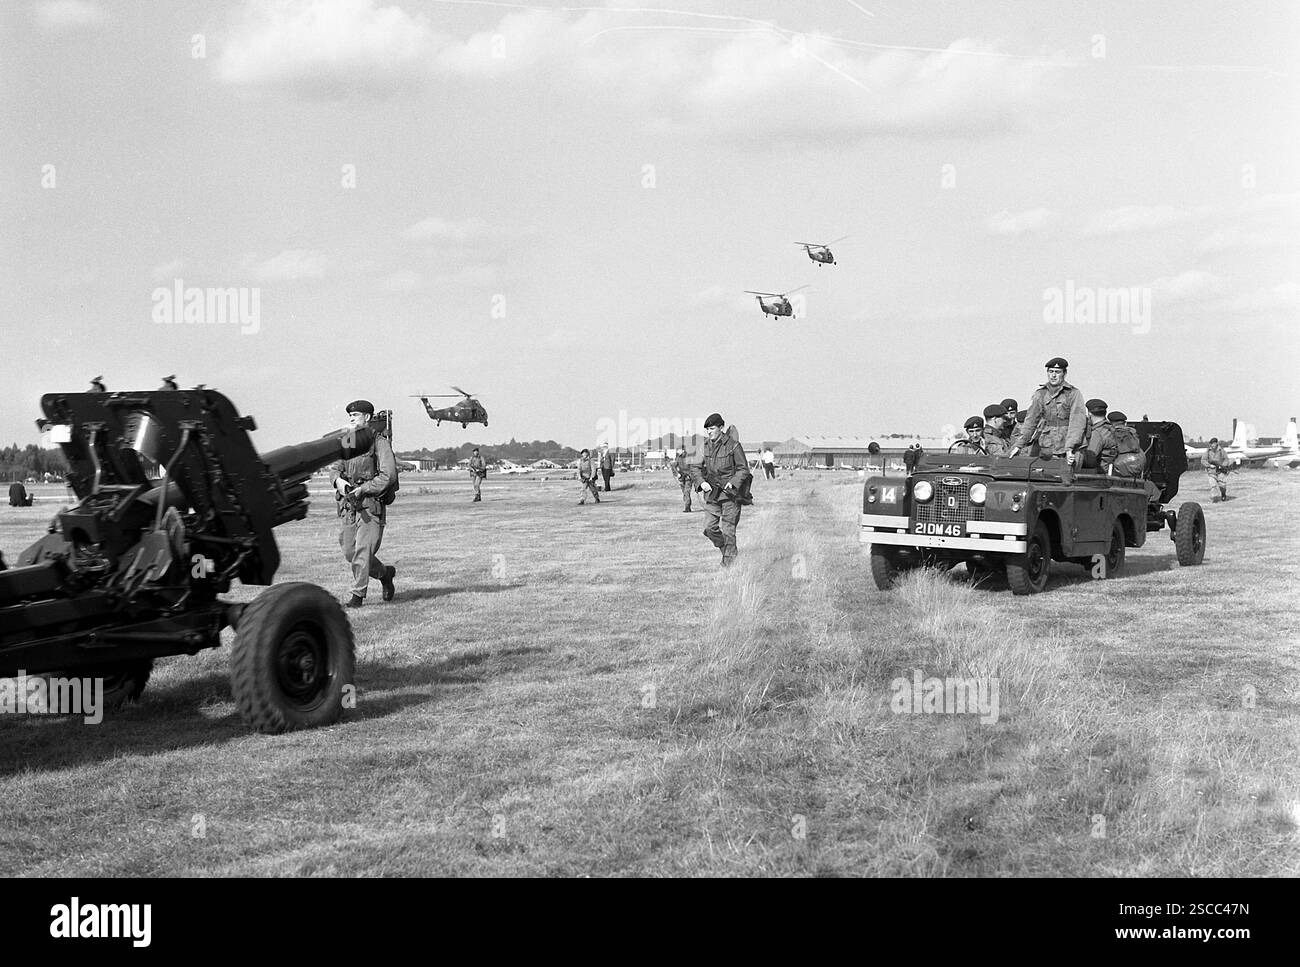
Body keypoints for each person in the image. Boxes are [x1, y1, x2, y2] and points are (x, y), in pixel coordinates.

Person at [328, 400, 397, 607]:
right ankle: (385, 574)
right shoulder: (348, 442)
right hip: (349, 506)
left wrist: (364, 488)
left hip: (370, 504)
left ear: (367, 418)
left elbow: (388, 475)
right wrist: (339, 482)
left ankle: (357, 596)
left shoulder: (379, 442)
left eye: (356, 415)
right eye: (350, 415)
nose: (351, 418)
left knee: (364, 550)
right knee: (351, 552)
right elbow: (335, 468)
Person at [688, 413, 751, 567]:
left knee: (728, 530)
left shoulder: (733, 445)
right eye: (707, 430)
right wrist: (702, 483)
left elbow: (743, 469)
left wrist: (733, 482)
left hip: (730, 495)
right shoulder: (704, 446)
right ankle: (727, 551)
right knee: (709, 528)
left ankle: (729, 565)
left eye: (712, 428)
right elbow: (695, 467)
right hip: (712, 494)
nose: (709, 432)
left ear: (721, 428)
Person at [1012, 357, 1087, 463]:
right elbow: (1030, 421)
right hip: (1048, 446)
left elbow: (1077, 423)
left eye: (1057, 372)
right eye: (1051, 371)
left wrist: (1069, 448)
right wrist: (1018, 445)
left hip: (1071, 447)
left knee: (1067, 477)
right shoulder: (1040, 394)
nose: (1053, 375)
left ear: (1064, 373)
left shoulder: (1073, 393)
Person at [1105, 412, 1144, 477]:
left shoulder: (1111, 432)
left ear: (1110, 422)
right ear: (1124, 422)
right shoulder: (1132, 432)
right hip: (1134, 470)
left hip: (1116, 471)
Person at [1202, 436, 1230, 502]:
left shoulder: (1221, 451)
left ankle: (1223, 494)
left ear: (1217, 443)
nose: (1212, 445)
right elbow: (1203, 460)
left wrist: (1222, 465)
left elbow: (1226, 460)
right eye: (1211, 443)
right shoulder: (1208, 451)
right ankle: (1214, 498)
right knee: (1213, 485)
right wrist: (1209, 465)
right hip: (1211, 472)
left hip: (1221, 472)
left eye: (1214, 443)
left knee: (1222, 485)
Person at [673, 445, 693, 512]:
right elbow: (674, 467)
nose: (678, 451)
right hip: (681, 477)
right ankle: (687, 505)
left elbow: (692, 467)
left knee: (686, 492)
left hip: (688, 477)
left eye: (679, 450)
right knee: (684, 492)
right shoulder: (678, 458)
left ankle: (687, 507)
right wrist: (677, 474)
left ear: (683, 450)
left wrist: (690, 475)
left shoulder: (689, 457)